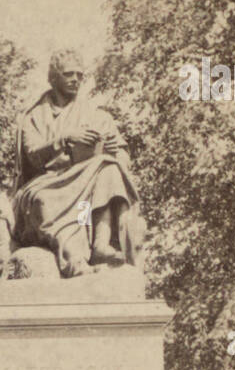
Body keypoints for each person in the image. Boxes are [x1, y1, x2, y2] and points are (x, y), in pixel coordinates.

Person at [11, 48, 142, 277]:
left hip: (86, 195)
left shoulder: (97, 115)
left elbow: (124, 156)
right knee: (45, 202)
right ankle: (73, 258)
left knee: (109, 168)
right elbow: (31, 156)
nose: (75, 80)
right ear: (53, 77)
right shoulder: (33, 116)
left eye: (80, 75)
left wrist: (114, 151)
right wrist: (64, 140)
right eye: (69, 74)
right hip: (46, 185)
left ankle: (100, 244)